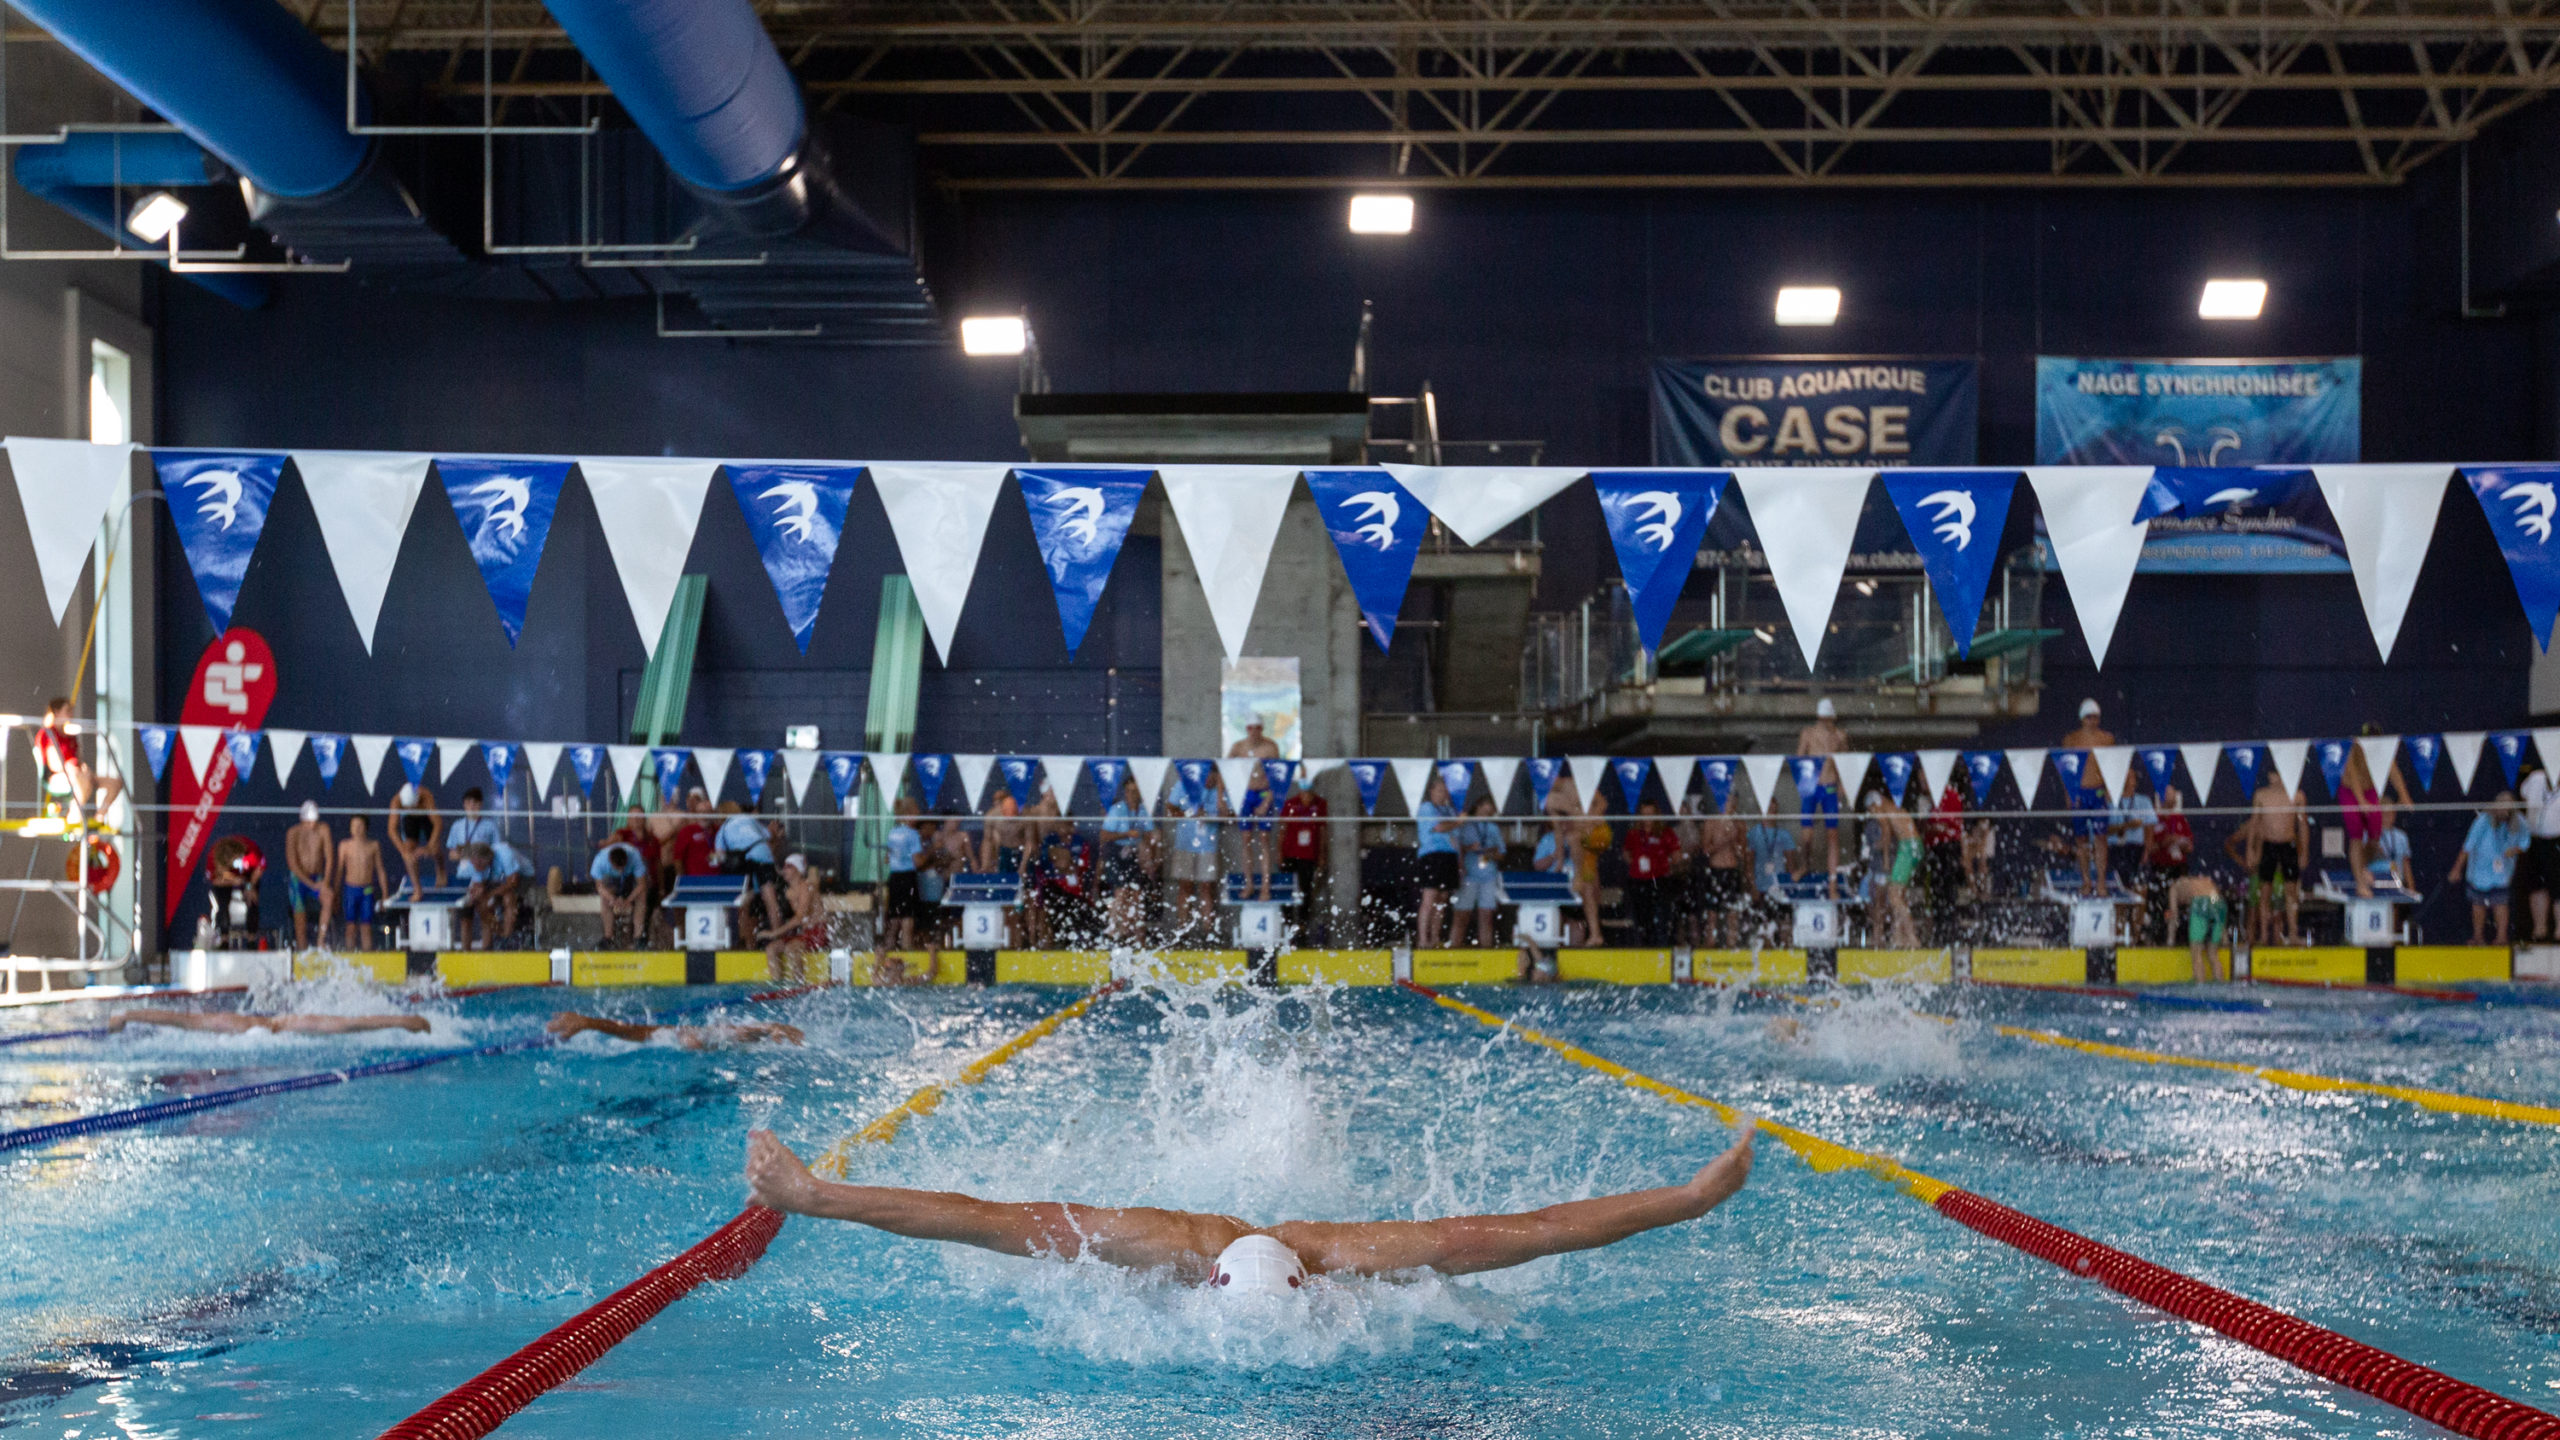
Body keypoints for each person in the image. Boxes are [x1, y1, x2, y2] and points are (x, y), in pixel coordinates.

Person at [744, 1120, 1755, 1287]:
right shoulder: (1158, 1247)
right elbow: (979, 1215)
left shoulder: (1357, 1255)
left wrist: (1690, 1197)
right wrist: (815, 1196)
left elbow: (1536, 1232)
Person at [2341, 740, 2417, 902]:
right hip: (2350, 792)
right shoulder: (2354, 748)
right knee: (2356, 837)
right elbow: (2352, 774)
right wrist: (2361, 801)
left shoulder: (2383, 747)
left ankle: (2362, 868)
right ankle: (2361, 883)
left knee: (2375, 837)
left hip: (2369, 790)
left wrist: (2405, 796)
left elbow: (2394, 772)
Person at [2451, 792, 2530, 946]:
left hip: (2501, 874)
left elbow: (2525, 842)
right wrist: (2456, 869)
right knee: (2478, 905)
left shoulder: (2518, 821)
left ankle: (2501, 937)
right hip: (2479, 872)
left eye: (2508, 811)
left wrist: (2514, 850)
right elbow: (2467, 846)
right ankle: (2478, 936)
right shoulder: (2483, 821)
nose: (2504, 814)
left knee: (2500, 904)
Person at [31, 698, 121, 827]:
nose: (71, 715)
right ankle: (74, 815)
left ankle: (100, 815)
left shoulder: (70, 735)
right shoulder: (47, 734)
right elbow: (55, 765)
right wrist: (74, 769)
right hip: (57, 777)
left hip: (77, 773)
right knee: (80, 778)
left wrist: (82, 768)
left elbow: (77, 759)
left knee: (115, 783)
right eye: (67, 711)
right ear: (56, 712)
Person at [2243, 770, 2309, 945]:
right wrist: (2250, 849)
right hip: (2268, 845)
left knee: (2291, 893)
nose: (2271, 778)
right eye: (2270, 775)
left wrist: (2304, 852)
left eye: (2274, 775)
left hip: (2289, 845)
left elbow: (2302, 826)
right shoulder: (2261, 795)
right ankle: (2264, 935)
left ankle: (2293, 934)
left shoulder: (2297, 795)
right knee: (2264, 893)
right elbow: (2254, 823)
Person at [1794, 699, 1849, 887]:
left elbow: (1845, 763)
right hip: (1811, 787)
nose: (1825, 722)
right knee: (1806, 834)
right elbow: (1799, 759)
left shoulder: (1840, 736)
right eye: (1822, 719)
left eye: (1828, 719)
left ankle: (1832, 882)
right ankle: (1804, 865)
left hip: (1830, 787)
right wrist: (1803, 782)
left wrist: (1842, 784)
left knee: (1832, 836)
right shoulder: (1807, 733)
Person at [548, 1012, 803, 1049]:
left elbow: (758, 1029)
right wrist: (588, 1023)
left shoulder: (721, 1036)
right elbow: (633, 1032)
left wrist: (775, 1030)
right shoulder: (675, 1037)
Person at [1167, 777, 1223, 942]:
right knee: (1185, 887)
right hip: (1185, 843)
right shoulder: (1184, 784)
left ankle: (1208, 931)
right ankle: (1182, 930)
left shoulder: (1220, 789)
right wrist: (1190, 814)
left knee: (1207, 888)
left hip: (1208, 846)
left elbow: (1230, 815)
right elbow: (1170, 809)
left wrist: (1219, 791)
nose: (1209, 782)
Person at [1099, 778, 1153, 947]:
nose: (1132, 795)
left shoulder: (1144, 810)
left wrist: (1152, 857)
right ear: (1125, 792)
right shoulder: (1117, 810)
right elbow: (1104, 836)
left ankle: (1139, 939)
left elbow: (1151, 834)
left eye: (1135, 791)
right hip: (1116, 852)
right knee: (1121, 893)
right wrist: (1126, 834)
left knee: (1137, 897)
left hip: (1134, 853)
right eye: (1129, 791)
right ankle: (1113, 930)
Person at [1689, 794, 1747, 948]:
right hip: (1715, 871)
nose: (1730, 804)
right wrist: (1723, 842)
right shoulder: (1711, 822)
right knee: (1712, 915)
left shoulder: (1739, 824)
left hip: (1732, 870)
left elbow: (1742, 853)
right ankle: (1710, 945)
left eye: (1732, 800)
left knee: (1733, 914)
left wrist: (1734, 842)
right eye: (1727, 800)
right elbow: (1705, 851)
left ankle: (1731, 945)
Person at [757, 854, 828, 980]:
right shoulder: (789, 892)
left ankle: (797, 984)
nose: (784, 869)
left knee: (791, 948)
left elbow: (800, 917)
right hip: (804, 933)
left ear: (798, 870)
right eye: (784, 866)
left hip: (818, 932)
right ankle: (777, 986)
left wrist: (774, 933)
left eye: (788, 866)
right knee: (771, 948)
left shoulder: (807, 887)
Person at [1620, 800, 1681, 946]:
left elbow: (1677, 855)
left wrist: (1662, 864)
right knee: (1641, 918)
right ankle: (1643, 946)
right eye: (1644, 814)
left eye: (1650, 814)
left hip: (1658, 880)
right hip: (1638, 880)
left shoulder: (1665, 833)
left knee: (1660, 917)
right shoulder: (1634, 833)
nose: (1647, 818)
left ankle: (1661, 946)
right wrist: (1635, 862)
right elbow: (1626, 852)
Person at [112, 1008, 429, 1036]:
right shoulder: (241, 1025)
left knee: (346, 1024)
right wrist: (128, 1015)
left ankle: (403, 1020)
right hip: (265, 1026)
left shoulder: (288, 1025)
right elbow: (179, 1020)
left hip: (282, 1026)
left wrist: (403, 1020)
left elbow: (353, 1024)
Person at [1413, 771, 1462, 948]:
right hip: (1432, 856)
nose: (1443, 794)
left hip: (1449, 856)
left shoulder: (1449, 811)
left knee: (1442, 900)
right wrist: (1458, 822)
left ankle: (1435, 937)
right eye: (1440, 790)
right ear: (1432, 791)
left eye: (1445, 791)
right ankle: (1423, 939)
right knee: (1429, 898)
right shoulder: (1427, 808)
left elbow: (1455, 839)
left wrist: (1460, 861)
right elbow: (1439, 827)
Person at [1867, 788, 1921, 947]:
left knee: (1893, 895)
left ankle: (1912, 936)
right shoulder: (1893, 807)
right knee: (1899, 894)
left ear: (1874, 804)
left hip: (1907, 847)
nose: (1872, 814)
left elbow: (1886, 831)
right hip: (1914, 846)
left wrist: (1884, 859)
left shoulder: (1881, 808)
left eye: (1871, 810)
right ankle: (1898, 937)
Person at [1278, 776, 1328, 944]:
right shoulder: (1291, 804)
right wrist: (1279, 853)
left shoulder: (1321, 805)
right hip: (1290, 853)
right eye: (1304, 793)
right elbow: (1282, 830)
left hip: (1309, 855)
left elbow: (1322, 833)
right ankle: (1288, 923)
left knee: (1306, 891)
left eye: (1309, 793)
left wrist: (1322, 855)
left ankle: (1302, 925)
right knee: (1287, 890)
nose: (1306, 797)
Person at [1449, 794, 1505, 947]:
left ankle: (1486, 950)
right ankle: (1454, 949)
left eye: (1490, 813)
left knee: (1486, 916)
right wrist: (1468, 848)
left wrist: (1490, 853)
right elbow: (1454, 846)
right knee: (1462, 915)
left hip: (1489, 876)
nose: (1488, 814)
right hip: (1468, 875)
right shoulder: (1464, 825)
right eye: (1485, 811)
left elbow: (1502, 854)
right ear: (1478, 806)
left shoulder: (1493, 828)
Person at [2143, 785, 2195, 942]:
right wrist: (2164, 843)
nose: (2171, 802)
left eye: (2173, 798)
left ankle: (2180, 936)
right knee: (2161, 904)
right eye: (2168, 798)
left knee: (2180, 905)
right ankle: (2160, 936)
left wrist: (2183, 844)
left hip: (2178, 868)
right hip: (2161, 868)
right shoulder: (2154, 820)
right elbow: (2149, 848)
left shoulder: (2180, 820)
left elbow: (2190, 846)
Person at [456, 841, 532, 948]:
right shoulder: (476, 863)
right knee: (482, 904)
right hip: (501, 881)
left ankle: (507, 936)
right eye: (473, 864)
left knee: (508, 898)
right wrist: (479, 897)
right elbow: (479, 886)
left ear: (484, 860)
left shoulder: (504, 853)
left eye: (476, 864)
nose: (474, 867)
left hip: (524, 878)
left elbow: (513, 882)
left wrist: (491, 894)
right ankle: (488, 944)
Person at [283, 800, 335, 950]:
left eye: (314, 822)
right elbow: (292, 864)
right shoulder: (293, 833)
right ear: (302, 820)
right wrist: (311, 885)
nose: (311, 826)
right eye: (308, 823)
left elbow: (329, 857)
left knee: (328, 897)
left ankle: (321, 941)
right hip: (299, 880)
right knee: (299, 914)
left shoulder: (323, 829)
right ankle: (302, 948)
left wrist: (325, 882)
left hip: (317, 877)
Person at [881, 798, 928, 952]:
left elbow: (887, 858)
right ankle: (907, 947)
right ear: (909, 815)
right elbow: (918, 862)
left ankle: (888, 946)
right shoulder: (913, 834)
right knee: (908, 915)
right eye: (917, 814)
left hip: (894, 877)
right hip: (907, 877)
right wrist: (932, 852)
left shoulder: (892, 833)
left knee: (895, 917)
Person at [2520, 759, 2560, 939]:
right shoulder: (2536, 778)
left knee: (2558, 888)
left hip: (2557, 840)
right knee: (2536, 886)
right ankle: (2539, 929)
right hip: (2535, 839)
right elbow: (2523, 794)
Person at [591, 837, 653, 945]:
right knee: (605, 899)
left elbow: (641, 884)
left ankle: (638, 936)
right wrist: (613, 899)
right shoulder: (600, 861)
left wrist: (629, 900)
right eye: (617, 868)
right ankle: (608, 937)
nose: (620, 871)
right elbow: (599, 887)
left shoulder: (635, 856)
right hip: (611, 878)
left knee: (642, 895)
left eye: (622, 867)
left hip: (631, 876)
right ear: (610, 861)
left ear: (627, 860)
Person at [2168, 872, 2228, 982]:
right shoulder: (2205, 881)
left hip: (2202, 904)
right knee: (2213, 954)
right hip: (2220, 904)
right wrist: (2224, 937)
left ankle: (2200, 989)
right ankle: (2221, 986)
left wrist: (2170, 941)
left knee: (2197, 953)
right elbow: (2215, 904)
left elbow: (2173, 916)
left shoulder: (2175, 887)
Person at [337, 815, 385, 950]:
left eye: (360, 826)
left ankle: (367, 955)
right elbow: (339, 871)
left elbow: (380, 870)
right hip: (350, 889)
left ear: (366, 828)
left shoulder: (373, 846)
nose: (357, 829)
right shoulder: (344, 846)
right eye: (354, 826)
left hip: (366, 890)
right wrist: (336, 892)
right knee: (350, 925)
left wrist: (385, 894)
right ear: (350, 828)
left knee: (366, 925)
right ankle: (349, 954)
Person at [388, 783, 441, 892]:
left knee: (435, 849)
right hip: (410, 819)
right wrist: (403, 851)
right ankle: (417, 888)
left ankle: (441, 870)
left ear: (418, 800)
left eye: (413, 806)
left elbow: (438, 824)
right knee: (408, 851)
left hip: (427, 817)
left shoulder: (426, 796)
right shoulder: (396, 801)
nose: (412, 808)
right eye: (408, 807)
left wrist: (429, 847)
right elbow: (392, 830)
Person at [442, 788, 502, 876]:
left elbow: (497, 852)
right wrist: (475, 852)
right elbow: (451, 855)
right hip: (463, 874)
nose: (472, 806)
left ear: (481, 804)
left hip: (485, 875)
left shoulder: (490, 825)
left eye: (475, 803)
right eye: (468, 803)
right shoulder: (457, 826)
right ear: (464, 805)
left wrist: (465, 851)